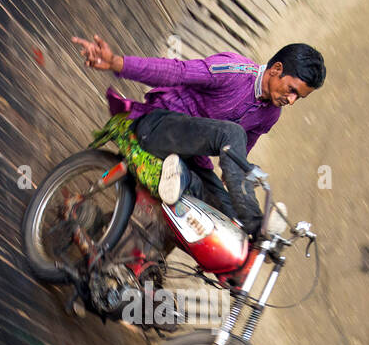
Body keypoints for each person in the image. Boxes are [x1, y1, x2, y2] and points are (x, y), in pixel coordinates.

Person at [72, 34, 325, 235]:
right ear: (276, 69)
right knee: (231, 133)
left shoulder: (270, 115)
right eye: (292, 90)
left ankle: (257, 237)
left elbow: (237, 156)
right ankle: (255, 222)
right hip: (160, 127)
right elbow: (177, 71)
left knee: (230, 218)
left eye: (298, 98)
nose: (291, 100)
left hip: (192, 157)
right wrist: (118, 63)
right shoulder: (233, 71)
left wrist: (234, 178)